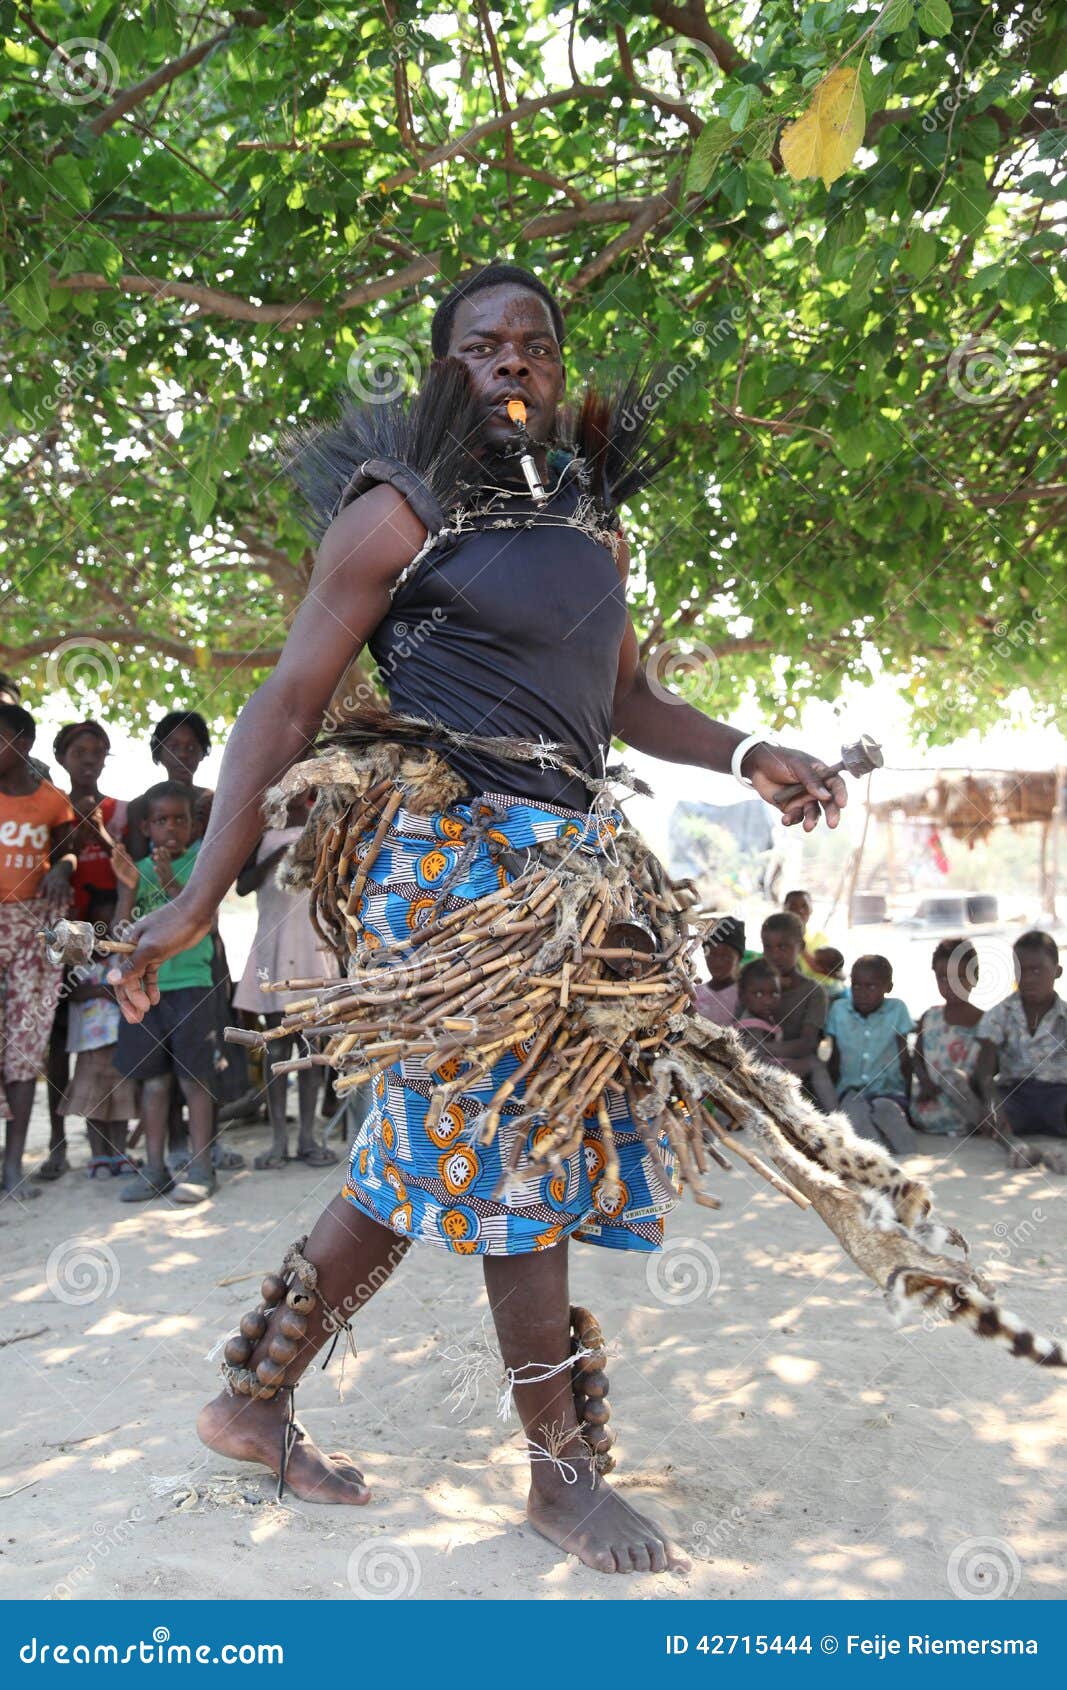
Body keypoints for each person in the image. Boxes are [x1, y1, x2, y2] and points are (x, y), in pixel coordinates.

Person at [108, 262, 861, 1576]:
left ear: (559, 372)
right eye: (481, 344)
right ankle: (559, 1480)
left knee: (422, 1157)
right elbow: (284, 705)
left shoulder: (591, 526)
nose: (512, 358)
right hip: (453, 873)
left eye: (535, 342)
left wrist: (750, 752)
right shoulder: (398, 514)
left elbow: (626, 700)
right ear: (444, 367)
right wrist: (193, 893)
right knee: (519, 1162)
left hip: (570, 868)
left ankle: (251, 1399)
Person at [111, 782, 224, 1205]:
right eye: (162, 821)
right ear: (147, 826)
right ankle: (154, 1169)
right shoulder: (136, 869)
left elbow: (205, 921)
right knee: (154, 1084)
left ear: (195, 825)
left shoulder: (201, 866)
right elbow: (123, 935)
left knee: (194, 1079)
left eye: (181, 819)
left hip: (192, 986)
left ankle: (201, 1169)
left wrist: (168, 882)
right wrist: (126, 890)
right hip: (147, 991)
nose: (171, 828)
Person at [38, 720, 128, 1183]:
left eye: (99, 752)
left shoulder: (120, 811)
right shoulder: (49, 810)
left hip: (107, 937)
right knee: (57, 1042)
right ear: (62, 757)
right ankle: (58, 1144)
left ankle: (115, 1141)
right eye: (80, 751)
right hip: (57, 940)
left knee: (108, 1043)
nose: (90, 759)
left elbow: (128, 873)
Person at [232, 798, 339, 1169]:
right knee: (276, 1049)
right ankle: (279, 1141)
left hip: (313, 944)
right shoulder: (262, 826)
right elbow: (243, 885)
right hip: (273, 949)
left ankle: (307, 1139)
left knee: (311, 1050)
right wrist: (275, 856)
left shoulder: (323, 819)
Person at [0, 703, 77, 1200]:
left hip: (32, 928)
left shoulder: (52, 800)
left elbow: (68, 846)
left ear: (23, 745)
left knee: (25, 1045)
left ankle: (12, 1165)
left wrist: (63, 866)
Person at [972, 931, 1067, 1170]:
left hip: (1059, 1097)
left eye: (1038, 970)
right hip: (1016, 1096)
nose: (1029, 979)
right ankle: (1016, 1147)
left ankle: (1061, 1154)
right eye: (1022, 971)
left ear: (1057, 971)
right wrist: (991, 1101)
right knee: (992, 1112)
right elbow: (984, 1070)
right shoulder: (1000, 1014)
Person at [65, 889, 139, 1177]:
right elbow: (68, 994)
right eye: (99, 929)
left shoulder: (122, 962)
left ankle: (120, 1153)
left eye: (111, 928)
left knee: (121, 1100)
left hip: (121, 1040)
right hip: (89, 1044)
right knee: (93, 1102)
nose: (105, 936)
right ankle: (99, 1156)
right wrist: (100, 990)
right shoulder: (79, 963)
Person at [825, 955, 915, 1154]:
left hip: (889, 1090)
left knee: (887, 1109)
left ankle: (903, 1145)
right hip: (851, 1089)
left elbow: (904, 1058)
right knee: (853, 1110)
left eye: (871, 986)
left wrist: (910, 1100)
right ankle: (877, 1151)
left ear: (888, 987)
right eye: (856, 986)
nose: (862, 993)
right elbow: (835, 1058)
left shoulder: (897, 1009)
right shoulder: (839, 1010)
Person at [760, 911, 836, 1110]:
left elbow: (807, 1044)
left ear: (801, 948)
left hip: (796, 1068)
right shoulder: (754, 986)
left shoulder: (814, 992)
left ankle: (836, 1121)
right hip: (760, 1067)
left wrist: (762, 1048)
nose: (775, 954)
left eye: (783, 947)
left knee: (816, 1065)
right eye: (768, 947)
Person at [911, 938, 986, 1138]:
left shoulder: (986, 1022)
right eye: (943, 979)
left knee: (954, 1079)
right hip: (933, 1099)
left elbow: (990, 1068)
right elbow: (916, 1057)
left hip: (968, 1100)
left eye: (959, 977)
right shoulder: (930, 1017)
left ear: (975, 977)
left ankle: (980, 1121)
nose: (950, 985)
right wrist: (925, 1082)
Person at [125, 712, 213, 861]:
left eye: (191, 748)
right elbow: (138, 867)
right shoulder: (140, 806)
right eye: (173, 747)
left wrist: (209, 826)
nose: (183, 754)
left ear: (202, 752)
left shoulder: (214, 802)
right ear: (159, 752)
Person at [692, 915, 745, 1026]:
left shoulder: (747, 996)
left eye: (726, 956)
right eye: (711, 954)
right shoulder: (694, 995)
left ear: (739, 957)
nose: (717, 962)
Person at [731, 958, 783, 1058]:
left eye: (775, 993)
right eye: (759, 994)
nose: (768, 1001)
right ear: (742, 996)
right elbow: (755, 1066)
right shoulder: (752, 1029)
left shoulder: (766, 1020)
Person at [783, 889, 830, 977]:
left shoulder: (820, 938)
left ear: (811, 909)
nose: (800, 911)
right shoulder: (775, 937)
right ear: (784, 909)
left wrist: (802, 950)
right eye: (793, 907)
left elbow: (828, 970)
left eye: (804, 906)